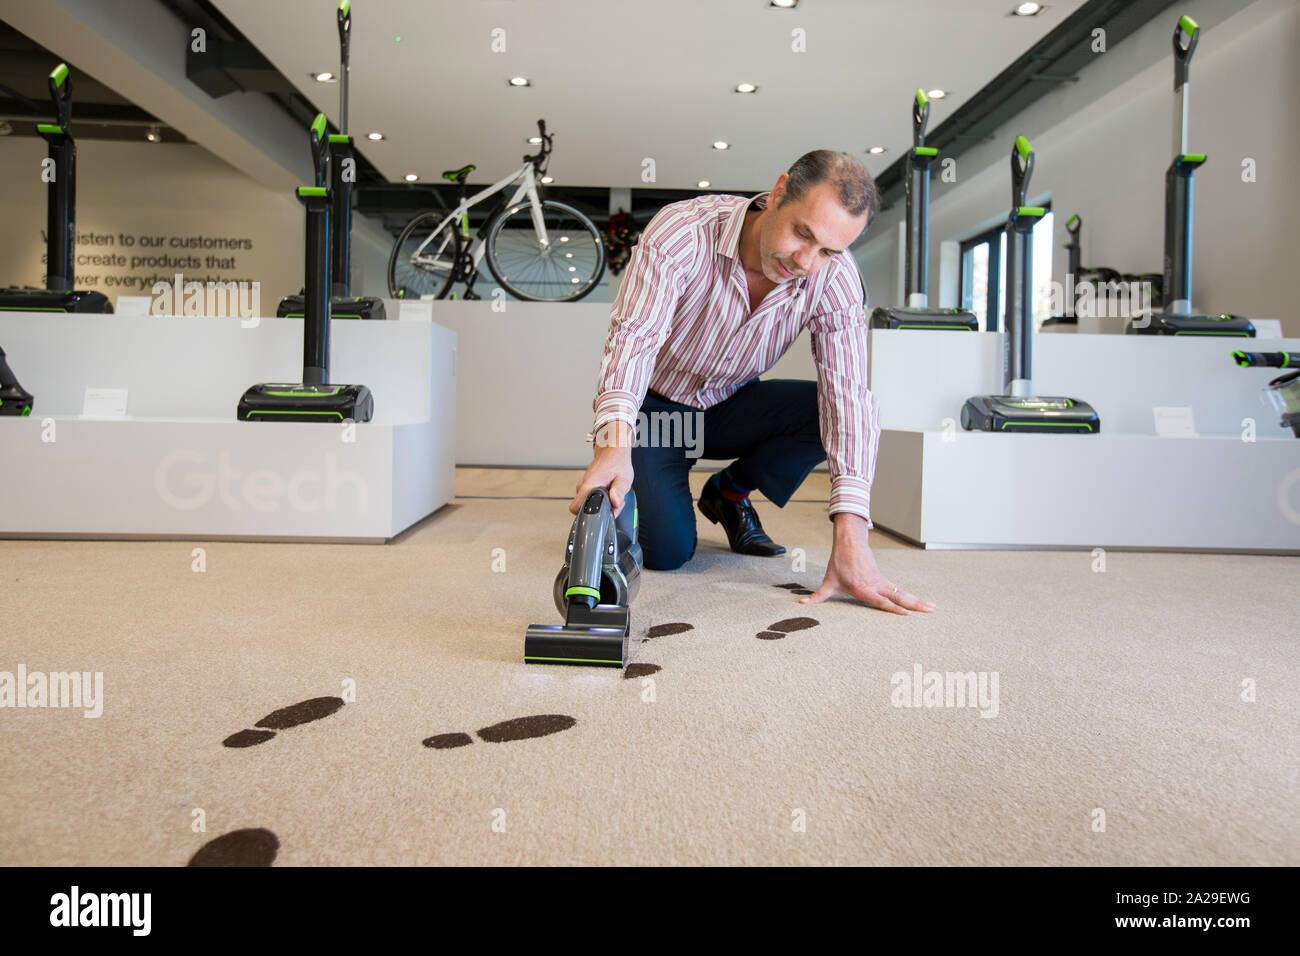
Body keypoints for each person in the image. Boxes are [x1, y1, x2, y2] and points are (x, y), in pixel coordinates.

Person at [570, 150, 934, 616]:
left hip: (729, 404)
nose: (806, 261)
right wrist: (613, 447)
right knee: (668, 552)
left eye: (829, 250)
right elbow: (633, 340)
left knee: (830, 411)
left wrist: (853, 539)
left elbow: (849, 401)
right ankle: (648, 484)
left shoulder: (834, 280)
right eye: (803, 233)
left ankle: (730, 492)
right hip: (658, 415)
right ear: (778, 192)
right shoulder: (683, 232)